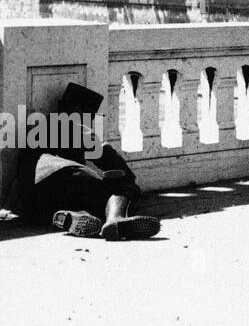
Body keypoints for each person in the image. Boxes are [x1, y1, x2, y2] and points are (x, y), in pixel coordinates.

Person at [1, 83, 161, 241]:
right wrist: (127, 181)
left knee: (83, 202)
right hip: (62, 174)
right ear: (79, 111)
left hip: (32, 203)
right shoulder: (72, 126)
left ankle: (74, 216)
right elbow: (109, 158)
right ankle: (115, 218)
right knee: (124, 189)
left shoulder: (41, 128)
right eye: (89, 115)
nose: (90, 120)